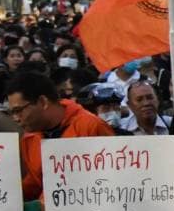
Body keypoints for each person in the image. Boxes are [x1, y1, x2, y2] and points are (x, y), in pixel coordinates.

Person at [8, 69, 115, 202]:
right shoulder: (29, 138)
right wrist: (8, 196)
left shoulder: (90, 126)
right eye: (12, 112)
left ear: (42, 102)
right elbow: (36, 183)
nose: (16, 118)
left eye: (18, 111)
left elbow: (113, 181)